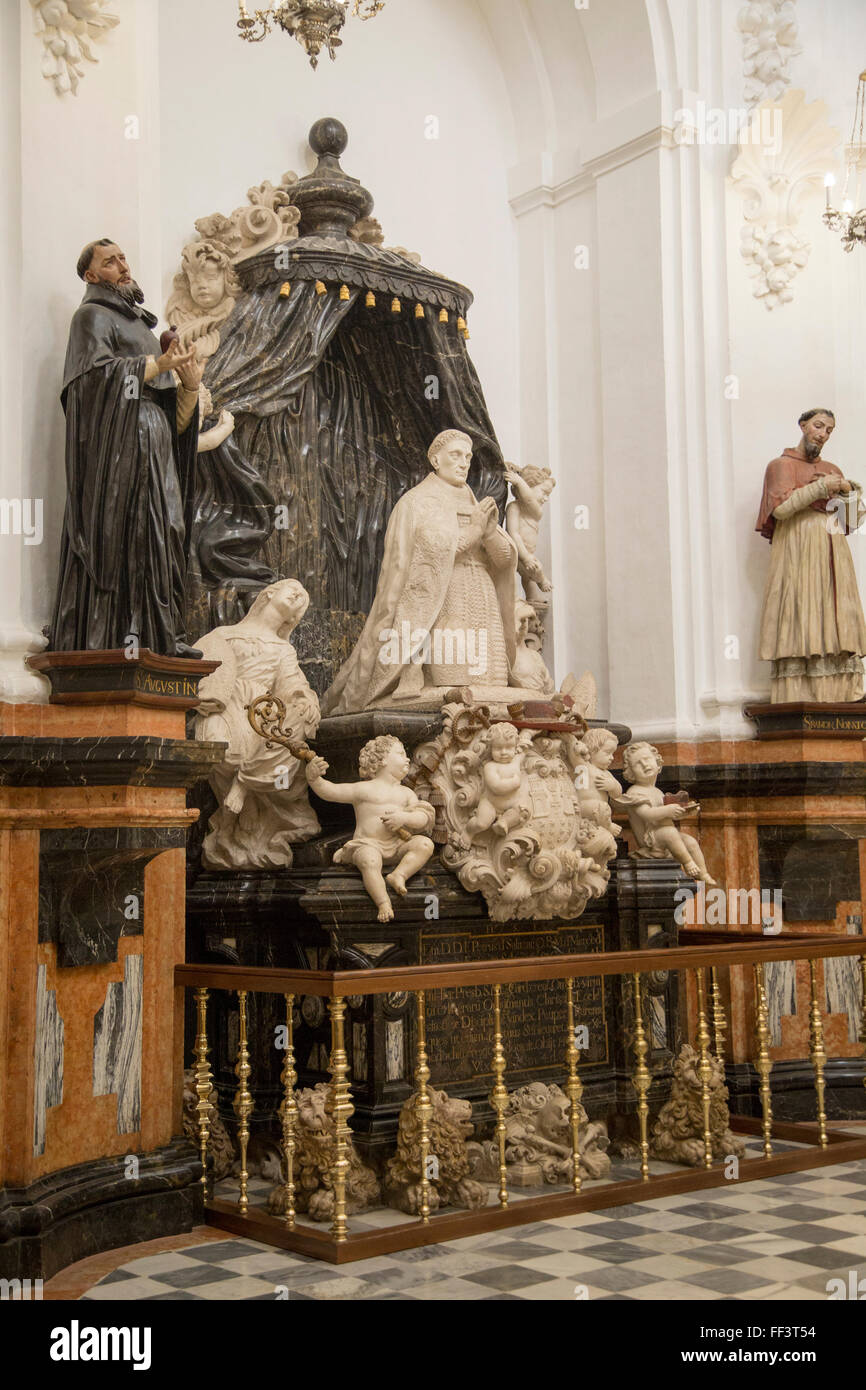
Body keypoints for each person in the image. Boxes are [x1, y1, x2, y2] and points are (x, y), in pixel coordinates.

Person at [50, 239, 203, 655]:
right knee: (131, 536)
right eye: (109, 261)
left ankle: (162, 636)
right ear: (91, 275)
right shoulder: (91, 317)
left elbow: (177, 423)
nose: (122, 265)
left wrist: (187, 384)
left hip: (156, 440)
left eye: (122, 258)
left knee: (167, 531)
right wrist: (154, 366)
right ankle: (117, 638)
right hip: (120, 447)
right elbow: (91, 383)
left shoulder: (143, 328)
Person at [321, 430, 517, 713]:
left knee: (492, 677)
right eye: (456, 455)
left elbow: (504, 560)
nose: (464, 463)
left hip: (483, 593)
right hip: (444, 595)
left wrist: (489, 534)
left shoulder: (476, 504)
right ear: (436, 460)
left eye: (468, 457)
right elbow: (428, 554)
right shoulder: (417, 502)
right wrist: (474, 530)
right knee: (455, 673)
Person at [194, 579, 321, 869]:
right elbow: (198, 671)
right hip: (226, 707)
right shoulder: (224, 634)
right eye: (294, 591)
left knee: (298, 717)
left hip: (264, 713)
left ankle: (244, 784)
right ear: (269, 593)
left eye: (302, 599)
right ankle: (244, 806)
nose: (299, 596)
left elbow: (292, 684)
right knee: (219, 745)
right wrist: (205, 694)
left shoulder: (283, 649)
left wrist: (305, 700)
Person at [756, 408, 866, 702]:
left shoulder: (832, 468)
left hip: (832, 548)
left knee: (835, 611)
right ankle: (800, 691)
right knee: (802, 606)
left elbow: (852, 522)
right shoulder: (780, 465)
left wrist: (848, 491)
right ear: (803, 425)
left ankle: (841, 690)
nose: (823, 434)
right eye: (818, 426)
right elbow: (780, 509)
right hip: (798, 544)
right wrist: (820, 487)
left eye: (829, 430)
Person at [305, 737, 435, 922]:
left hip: (398, 845)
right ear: (381, 760)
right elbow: (330, 791)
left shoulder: (407, 793)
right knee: (369, 860)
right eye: (400, 754)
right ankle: (383, 902)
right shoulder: (364, 789)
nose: (407, 759)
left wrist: (404, 818)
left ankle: (399, 875)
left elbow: (422, 818)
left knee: (424, 844)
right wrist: (314, 778)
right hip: (368, 844)